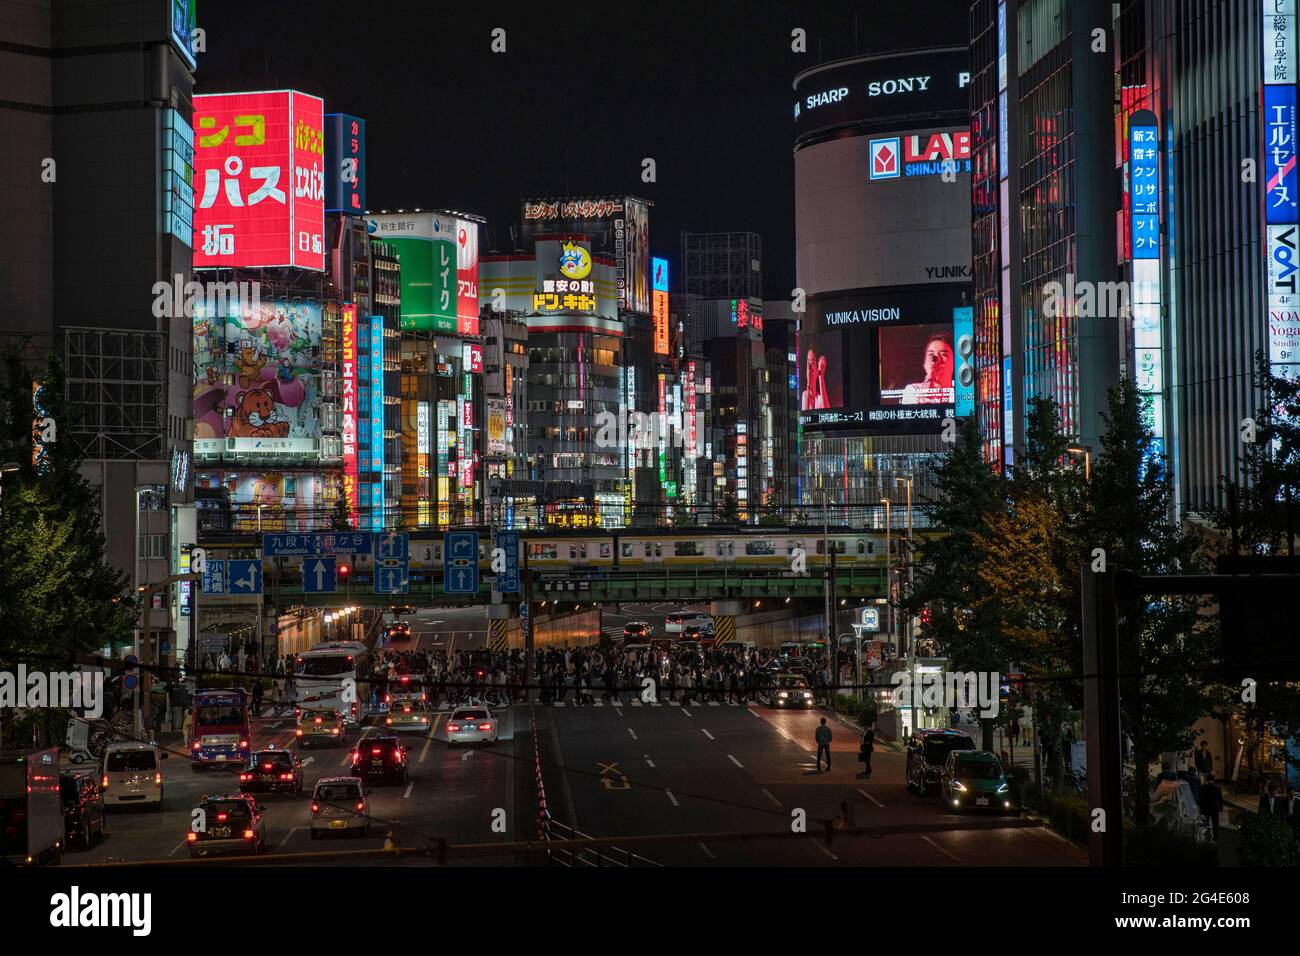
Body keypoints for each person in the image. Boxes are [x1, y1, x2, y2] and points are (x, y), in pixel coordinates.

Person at [899, 334, 955, 406]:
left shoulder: (961, 391)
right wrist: (930, 377)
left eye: (943, 354)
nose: (936, 359)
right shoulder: (912, 390)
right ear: (924, 363)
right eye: (931, 355)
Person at [1200, 772, 1224, 842]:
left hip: (1206, 808)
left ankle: (1204, 836)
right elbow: (1220, 799)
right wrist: (1221, 808)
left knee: (1205, 822)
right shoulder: (1217, 788)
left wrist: (1201, 807)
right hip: (1215, 807)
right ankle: (1215, 837)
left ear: (1206, 779)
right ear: (1214, 779)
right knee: (1215, 823)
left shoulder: (1203, 787)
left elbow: (1201, 798)